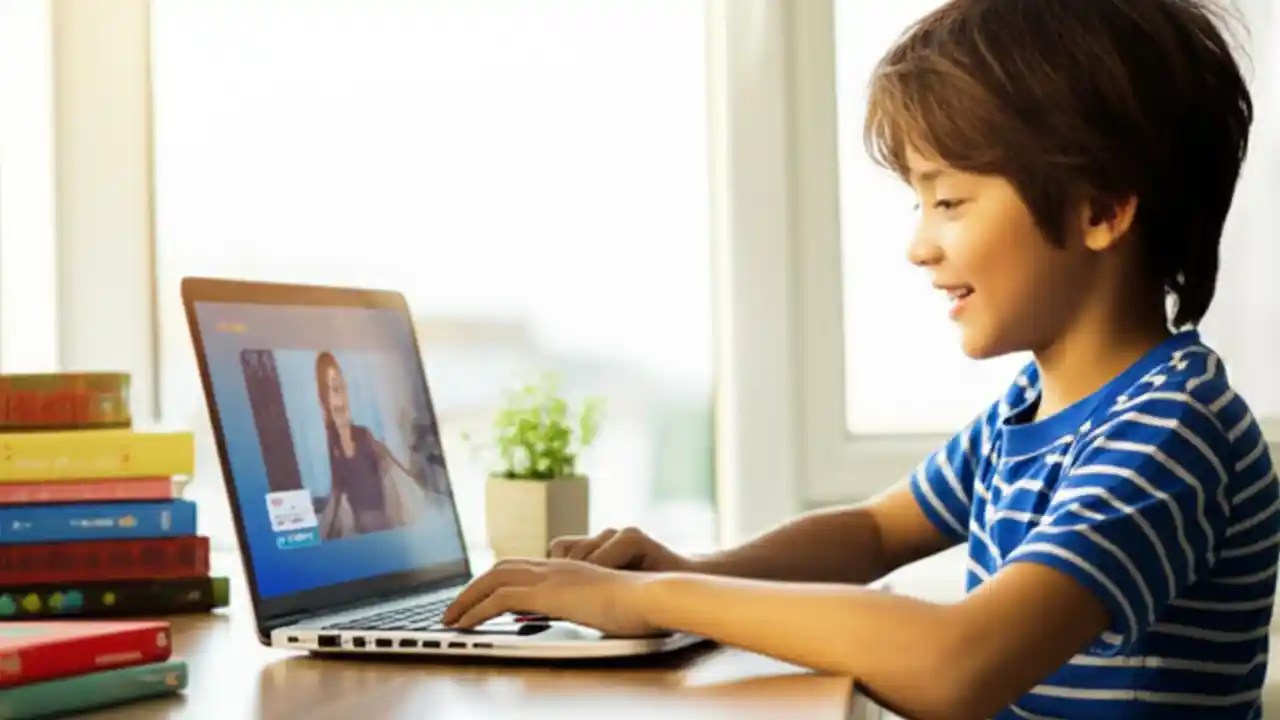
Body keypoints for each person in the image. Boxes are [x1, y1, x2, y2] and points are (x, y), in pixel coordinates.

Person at [441, 1, 1278, 717]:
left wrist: (650, 599)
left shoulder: (1173, 427)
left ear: (1101, 208)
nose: (919, 245)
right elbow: (874, 532)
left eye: (948, 201)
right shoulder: (1035, 408)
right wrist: (697, 568)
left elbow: (961, 663)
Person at [314, 351, 435, 539]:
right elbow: (338, 489)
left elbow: (392, 469)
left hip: (384, 521)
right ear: (325, 397)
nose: (340, 396)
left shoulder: (363, 435)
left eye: (341, 387)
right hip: (362, 526)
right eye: (333, 389)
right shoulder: (334, 441)